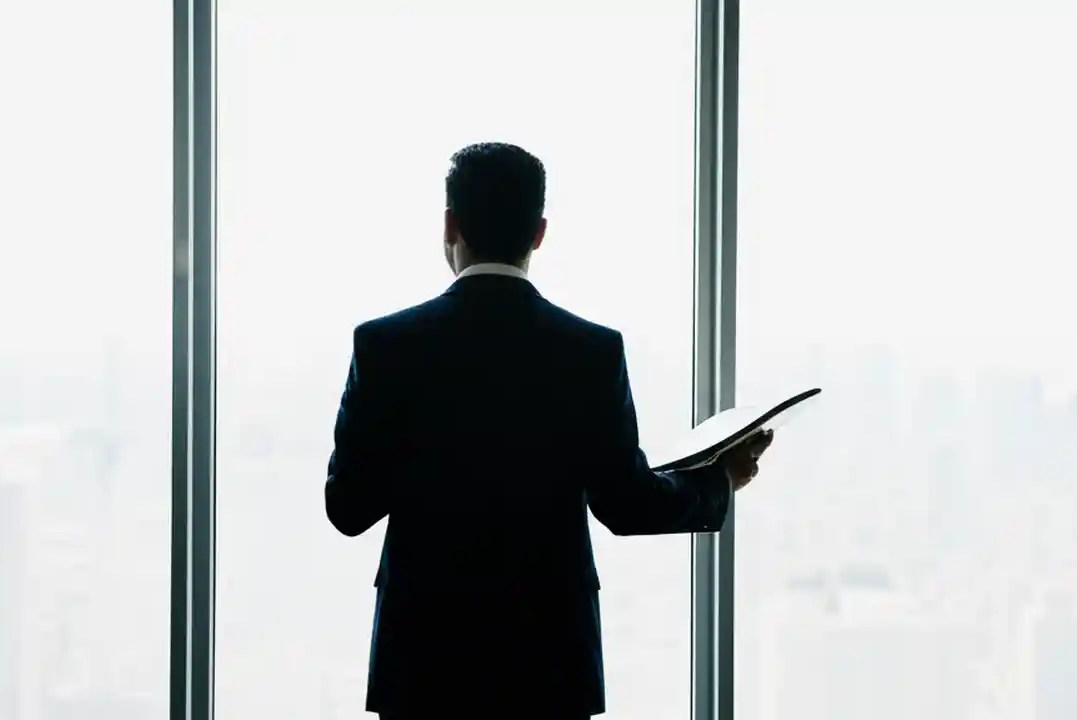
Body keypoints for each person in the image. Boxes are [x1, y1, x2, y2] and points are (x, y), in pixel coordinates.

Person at [324, 142, 773, 720]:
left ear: (449, 224)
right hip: (550, 662)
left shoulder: (385, 346)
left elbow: (348, 509)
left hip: (422, 661)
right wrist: (720, 479)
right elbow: (628, 505)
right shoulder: (590, 351)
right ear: (538, 233)